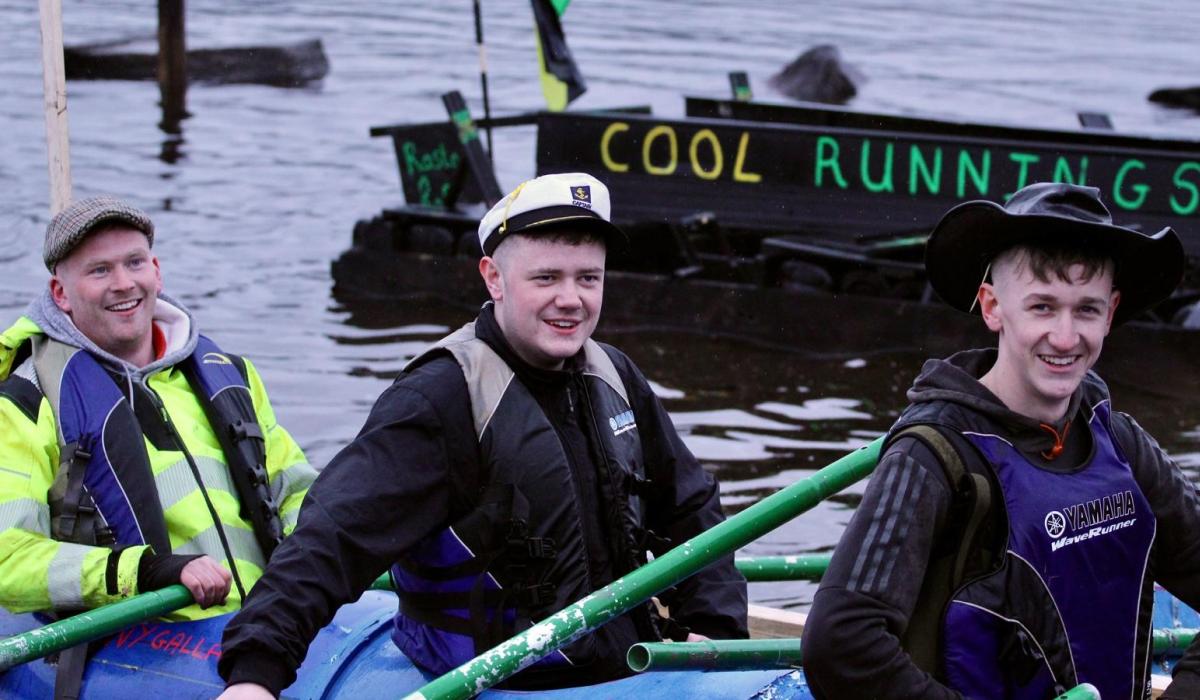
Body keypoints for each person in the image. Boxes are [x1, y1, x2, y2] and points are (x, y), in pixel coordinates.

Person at [216, 172, 748, 698]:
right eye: (546, 279)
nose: (572, 299)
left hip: (626, 664)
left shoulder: (614, 373)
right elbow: (333, 538)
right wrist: (255, 674)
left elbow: (691, 506)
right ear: (493, 278)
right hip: (505, 681)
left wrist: (716, 626)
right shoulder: (441, 398)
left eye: (589, 278)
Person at [801, 182, 1200, 699]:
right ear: (992, 307)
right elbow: (841, 645)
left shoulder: (1121, 442)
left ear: (1112, 311)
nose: (1064, 337)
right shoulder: (932, 456)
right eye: (1041, 307)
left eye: (1086, 310)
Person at [0, 196, 315, 622]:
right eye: (99, 270)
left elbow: (295, 492)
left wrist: (326, 552)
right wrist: (142, 572)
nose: (123, 283)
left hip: (269, 622)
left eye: (134, 263)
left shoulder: (232, 376)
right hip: (148, 642)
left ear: (157, 272)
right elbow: (8, 560)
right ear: (61, 294)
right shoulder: (26, 402)